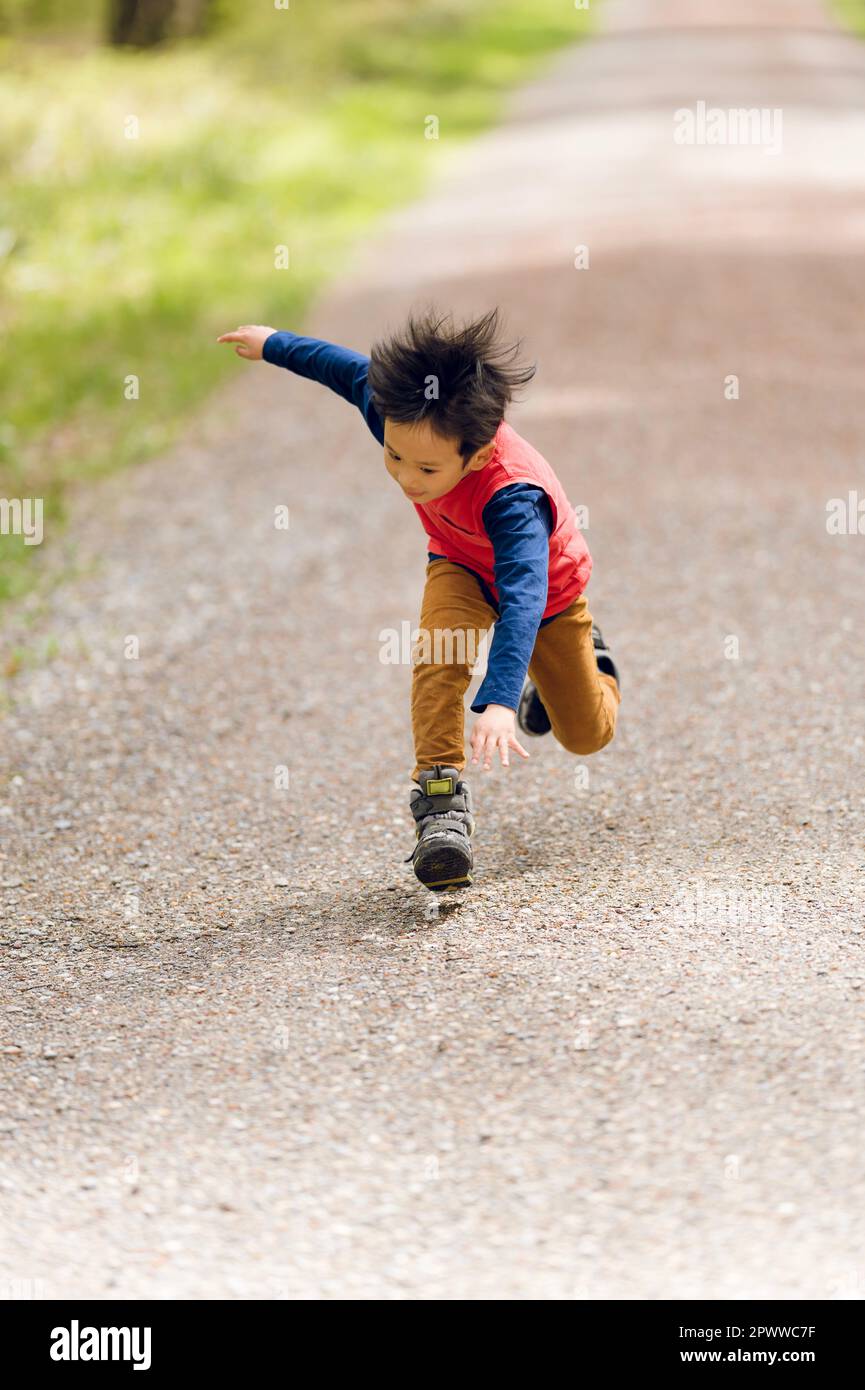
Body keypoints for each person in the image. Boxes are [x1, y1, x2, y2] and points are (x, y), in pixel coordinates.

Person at [217, 307, 620, 892]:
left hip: (544, 592)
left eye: (427, 468)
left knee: (584, 734)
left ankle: (594, 661)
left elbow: (522, 601)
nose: (406, 478)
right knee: (439, 657)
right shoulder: (397, 412)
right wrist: (273, 343)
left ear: (476, 455)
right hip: (457, 561)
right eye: (394, 456)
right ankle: (440, 806)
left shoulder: (514, 498)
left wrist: (501, 699)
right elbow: (340, 368)